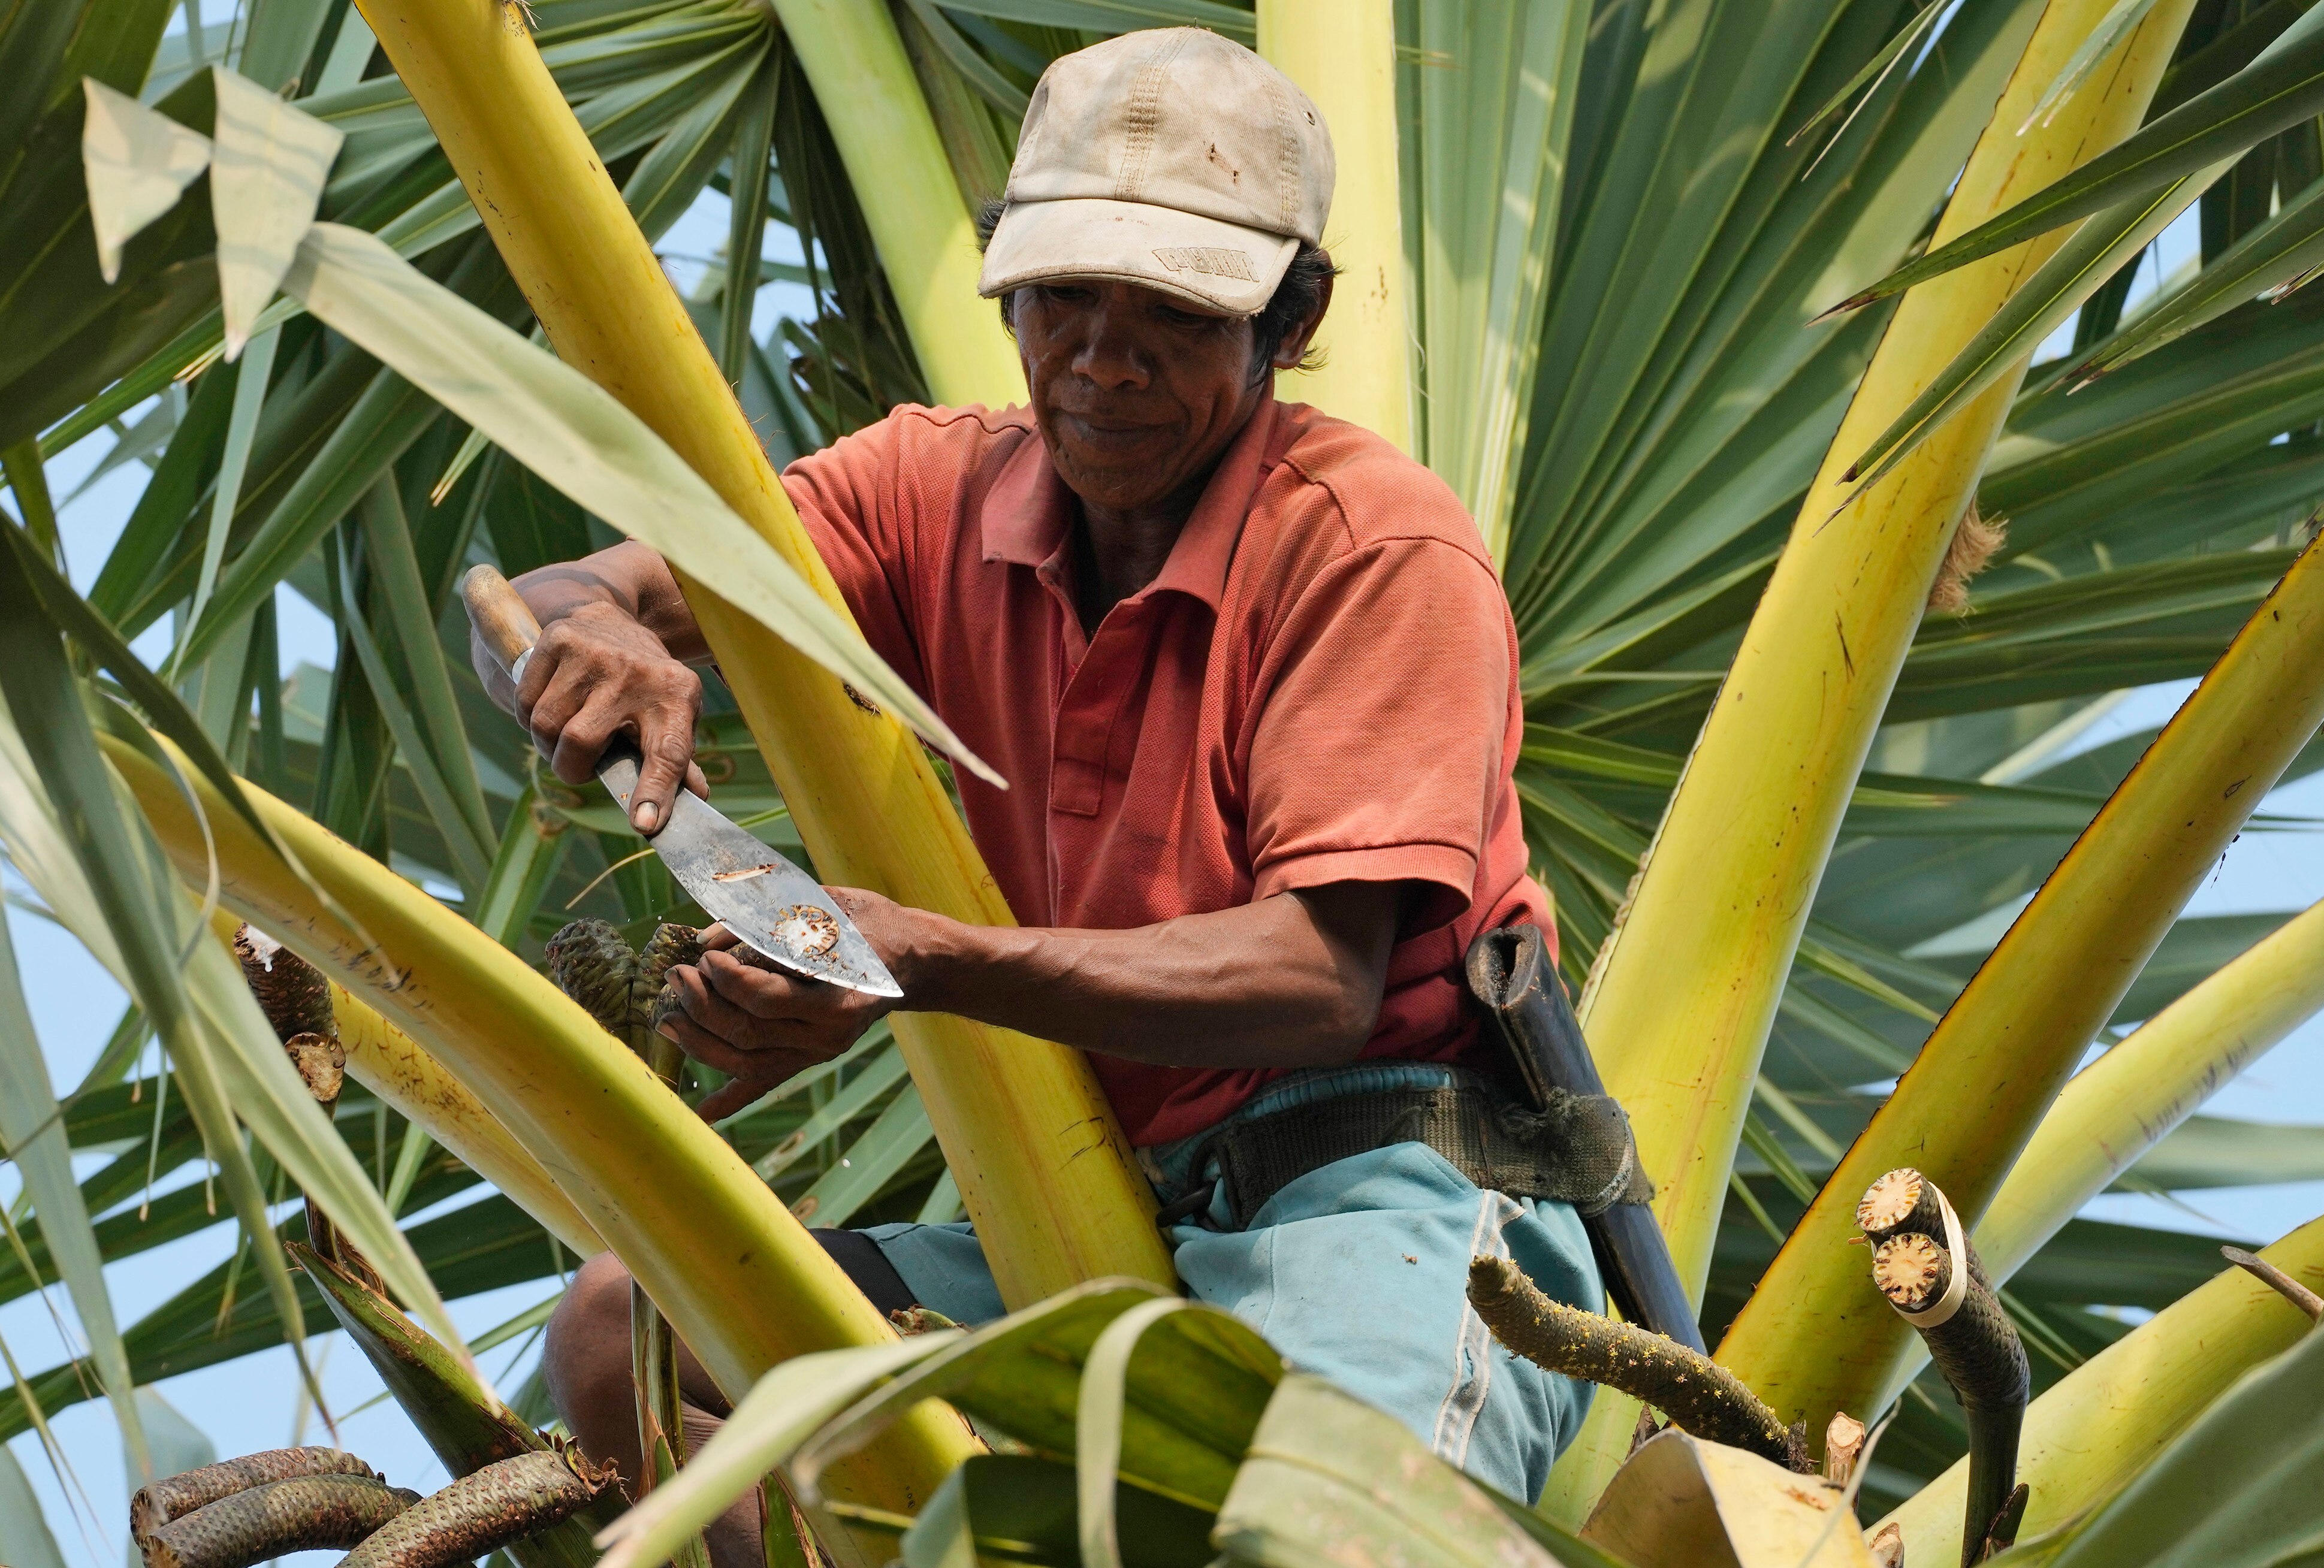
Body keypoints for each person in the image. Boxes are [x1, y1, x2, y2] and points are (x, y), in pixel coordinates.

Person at [480, 27, 1601, 1559]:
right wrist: (586, 637)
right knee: (630, 1331)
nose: (1101, 359)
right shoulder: (922, 492)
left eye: (1172, 313)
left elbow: (1313, 979)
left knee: (1330, 1542)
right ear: (1009, 283)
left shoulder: (1371, 547)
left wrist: (916, 959)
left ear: (1293, 317)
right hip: (1132, 1225)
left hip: (1390, 1199)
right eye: (1064, 296)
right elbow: (556, 594)